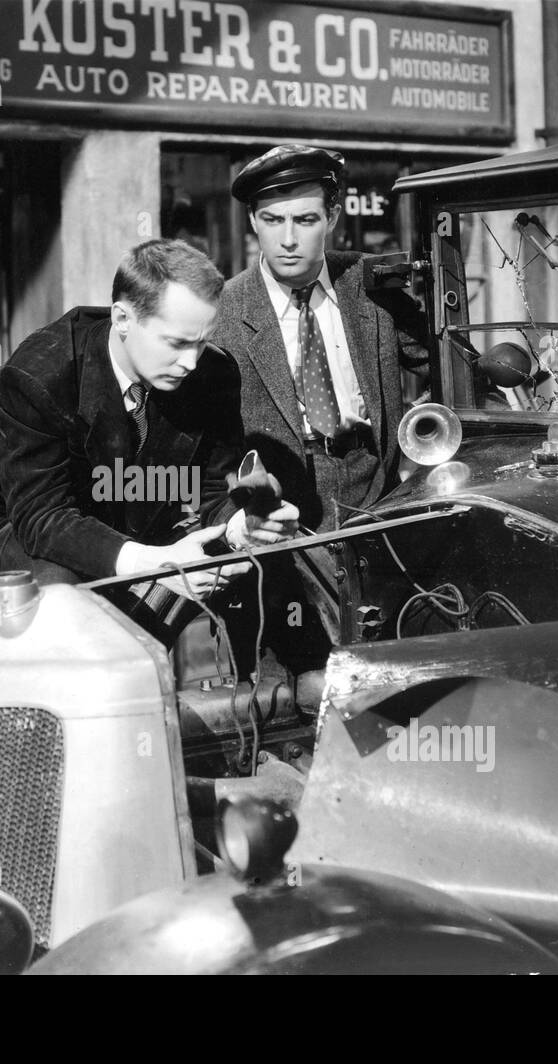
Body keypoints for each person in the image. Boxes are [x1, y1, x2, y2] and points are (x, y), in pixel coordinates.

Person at [0, 238, 299, 626]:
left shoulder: (215, 373)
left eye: (202, 343)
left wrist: (242, 526)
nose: (191, 363)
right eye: (177, 343)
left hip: (135, 520)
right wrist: (152, 562)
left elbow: (208, 488)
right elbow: (41, 518)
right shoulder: (38, 376)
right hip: (14, 528)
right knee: (64, 591)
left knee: (223, 568)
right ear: (123, 319)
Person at [208, 145, 430, 671]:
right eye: (272, 220)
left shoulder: (371, 285)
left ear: (332, 217)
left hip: (376, 499)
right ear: (252, 221)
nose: (287, 238)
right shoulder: (222, 311)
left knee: (390, 664)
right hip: (281, 519)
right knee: (295, 680)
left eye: (305, 220)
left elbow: (439, 356)